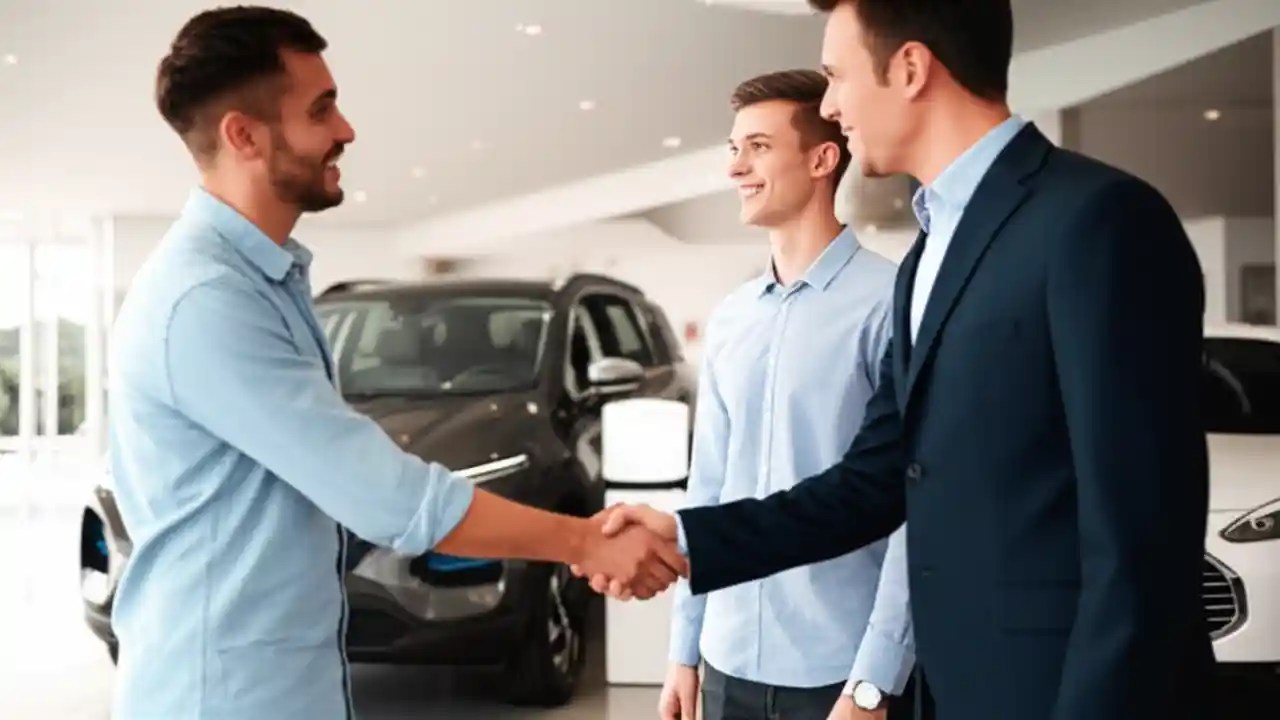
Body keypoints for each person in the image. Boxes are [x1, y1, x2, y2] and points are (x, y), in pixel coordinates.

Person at [584, 1, 1213, 719]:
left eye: (837, 75)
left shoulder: (1099, 221)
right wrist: (688, 536)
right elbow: (874, 481)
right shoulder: (926, 257)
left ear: (910, 68)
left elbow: (1142, 550)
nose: (830, 105)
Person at [107, 8, 683, 719]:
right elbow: (386, 497)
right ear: (243, 136)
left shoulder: (261, 282)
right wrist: (584, 542)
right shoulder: (205, 300)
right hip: (220, 697)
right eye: (321, 110)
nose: (345, 130)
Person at [659, 70, 913, 720]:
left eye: (758, 147)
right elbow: (708, 487)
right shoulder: (731, 317)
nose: (734, 168)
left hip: (840, 669)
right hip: (726, 658)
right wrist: (684, 648)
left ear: (822, 160)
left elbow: (912, 505)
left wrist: (875, 678)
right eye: (733, 148)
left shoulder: (891, 305)